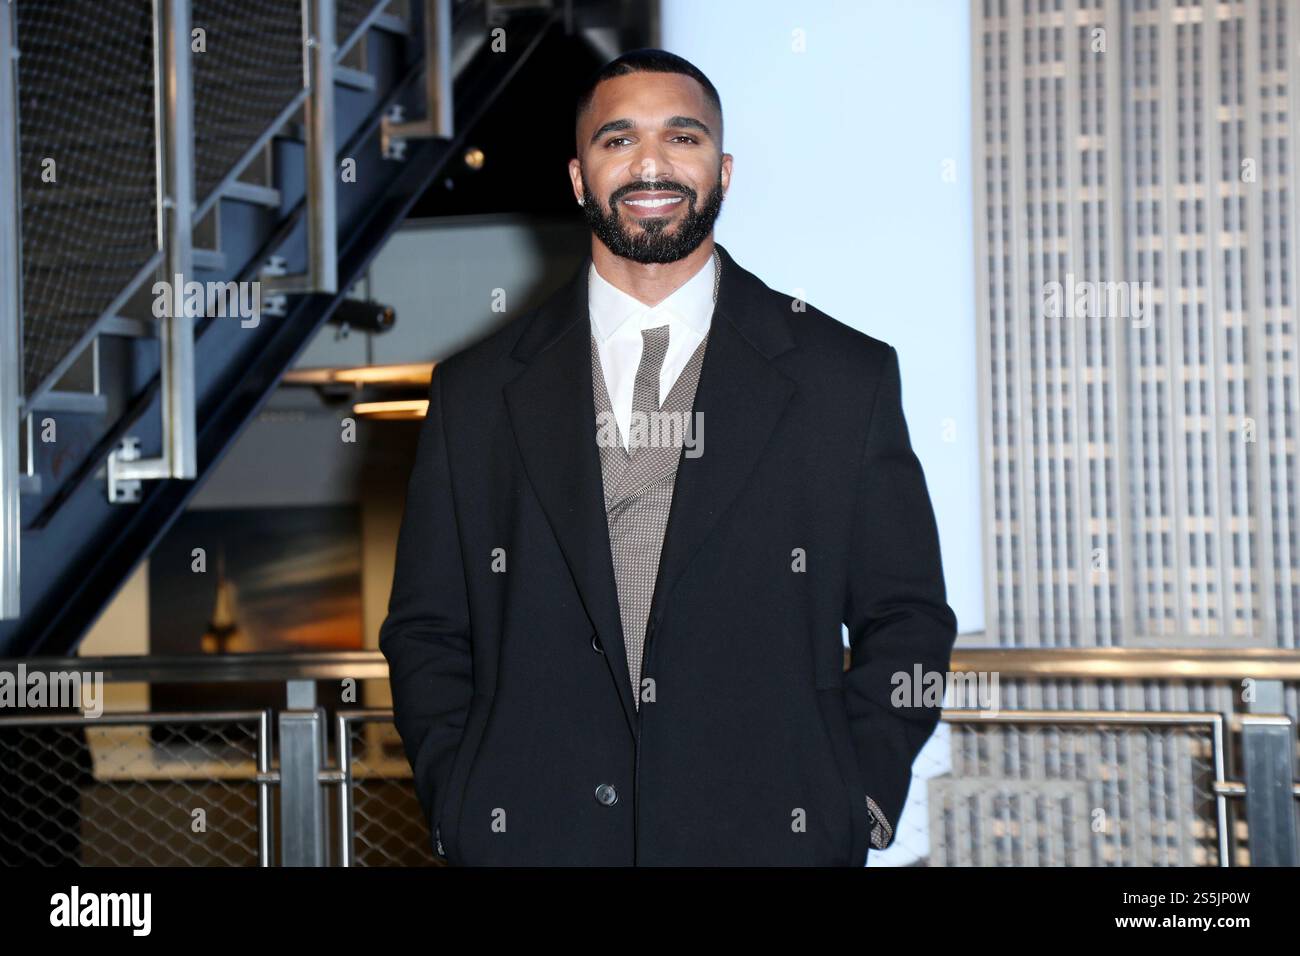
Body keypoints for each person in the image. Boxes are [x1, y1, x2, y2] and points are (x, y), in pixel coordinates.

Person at [379, 48, 957, 866]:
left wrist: (854, 798)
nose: (651, 161)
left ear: (722, 171)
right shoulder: (474, 392)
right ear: (579, 177)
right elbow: (428, 629)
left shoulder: (844, 377)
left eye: (681, 138)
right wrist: (460, 800)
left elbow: (909, 620)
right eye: (618, 140)